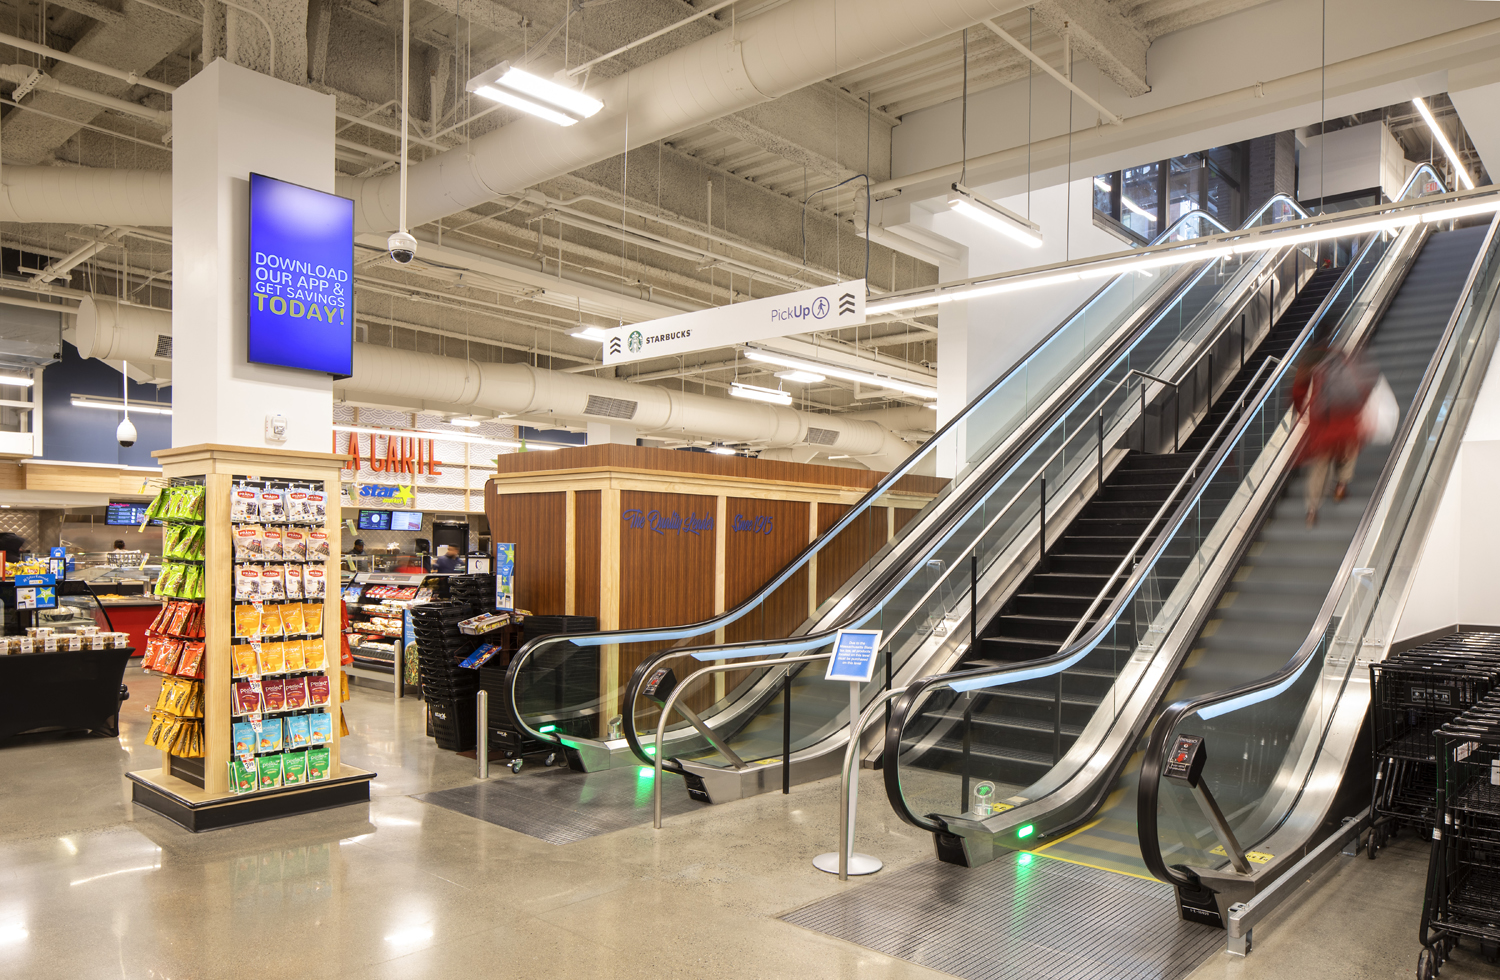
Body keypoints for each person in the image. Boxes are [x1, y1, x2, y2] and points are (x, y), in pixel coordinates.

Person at [1293, 345, 1376, 526]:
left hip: (1323, 425)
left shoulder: (1309, 363)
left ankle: (1312, 510)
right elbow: (1362, 387)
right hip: (1346, 421)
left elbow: (1298, 393)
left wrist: (1302, 413)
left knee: (1320, 465)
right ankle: (1341, 486)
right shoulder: (1342, 358)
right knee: (1349, 452)